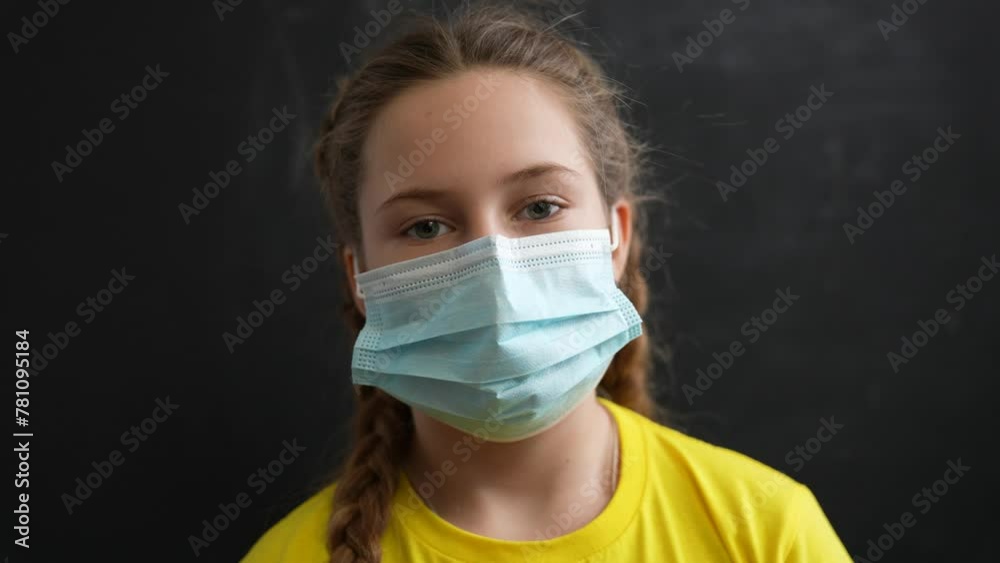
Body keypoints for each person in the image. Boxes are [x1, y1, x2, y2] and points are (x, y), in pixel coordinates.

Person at [242, 3, 852, 561]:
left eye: (539, 207)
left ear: (616, 237)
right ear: (360, 277)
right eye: (426, 226)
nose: (494, 270)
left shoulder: (766, 532)